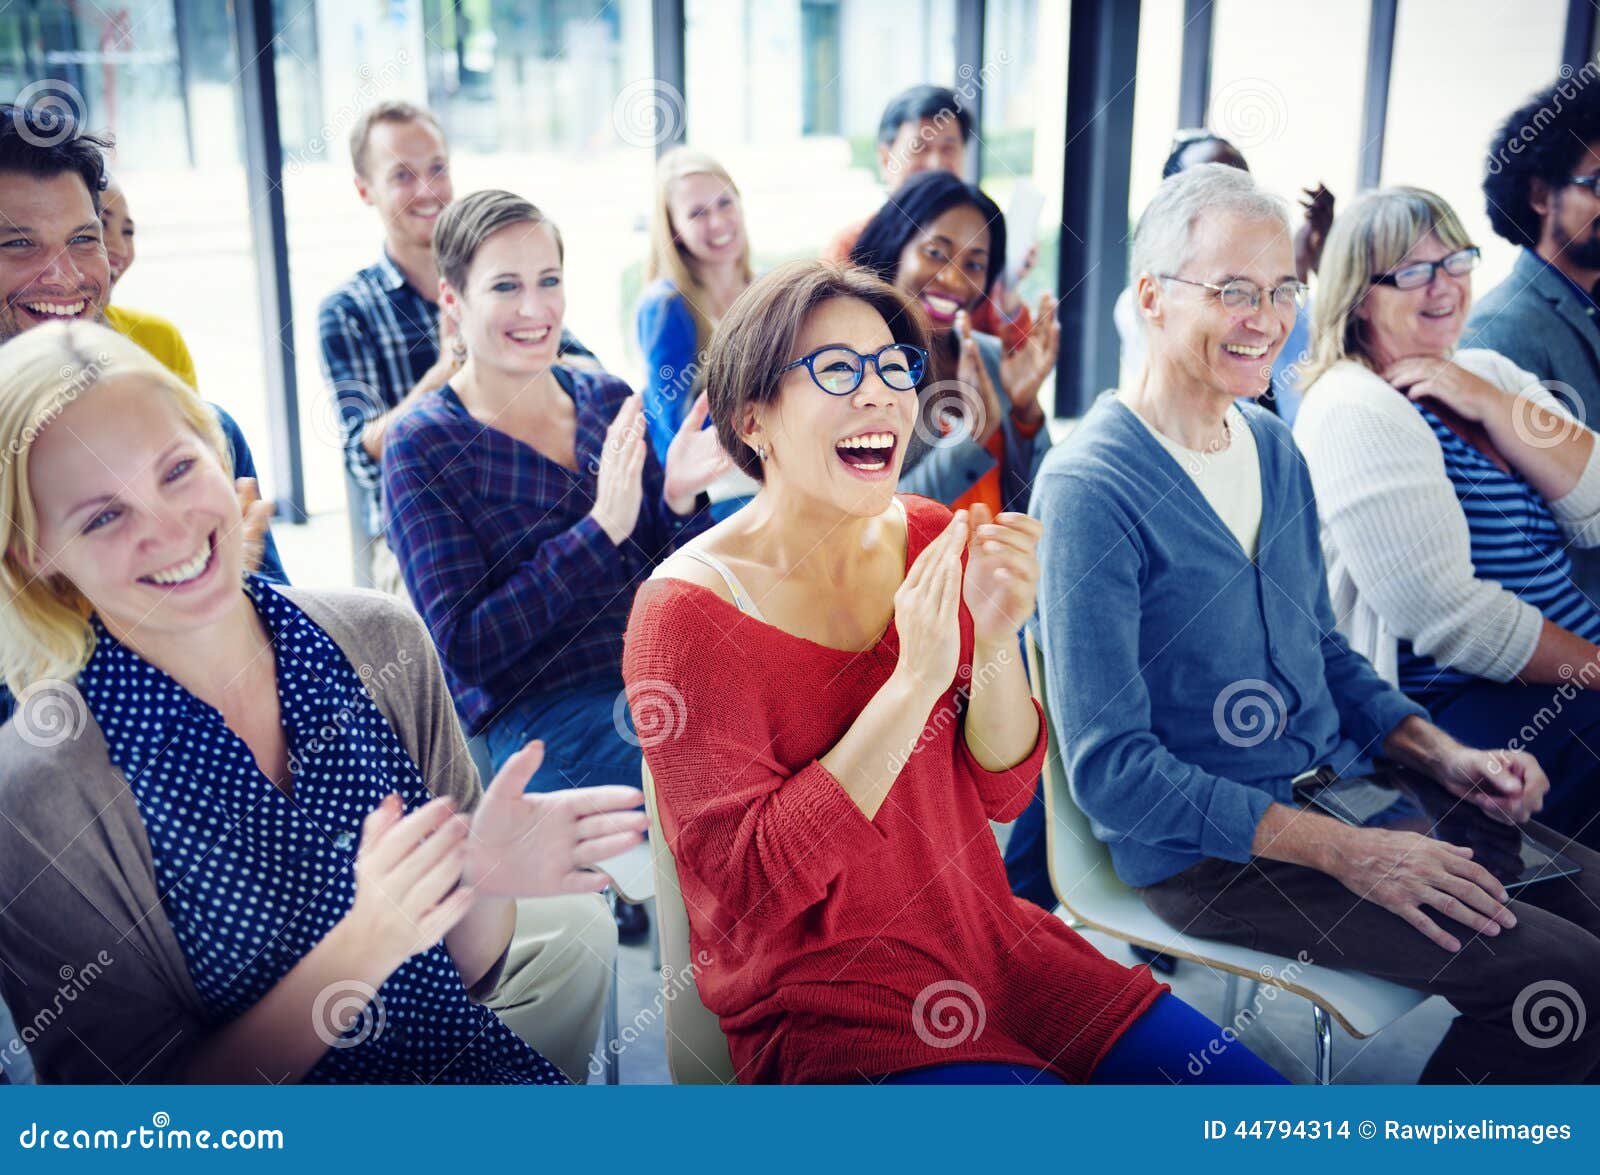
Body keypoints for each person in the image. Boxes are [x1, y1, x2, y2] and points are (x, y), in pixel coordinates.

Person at [625, 259, 1284, 1085]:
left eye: (894, 367)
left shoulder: (931, 530)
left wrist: (1001, 634)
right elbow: (753, 896)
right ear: (751, 419)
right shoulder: (683, 616)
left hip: (995, 943)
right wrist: (910, 686)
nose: (881, 395)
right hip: (833, 1008)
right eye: (836, 370)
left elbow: (1004, 791)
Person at [1035, 163, 1600, 1084]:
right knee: (1569, 980)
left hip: (1353, 792)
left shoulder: (1267, 440)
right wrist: (1348, 853)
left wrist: (1439, 753)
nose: (1266, 317)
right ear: (1152, 297)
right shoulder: (1091, 485)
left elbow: (1325, 651)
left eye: (1282, 289)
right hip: (1216, 857)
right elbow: (1114, 775)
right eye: (1233, 291)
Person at [0, 321, 648, 1084]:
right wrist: (366, 941)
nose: (169, 526)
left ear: (220, 456)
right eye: (104, 515)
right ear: (31, 552)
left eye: (178, 469)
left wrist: (478, 875)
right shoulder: (34, 796)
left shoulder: (380, 639)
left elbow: (470, 977)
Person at [383, 191, 728, 942]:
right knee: (730, 784)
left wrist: (676, 497)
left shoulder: (605, 397)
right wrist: (599, 528)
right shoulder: (423, 446)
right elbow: (467, 645)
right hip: (543, 718)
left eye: (548, 280)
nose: (533, 306)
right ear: (453, 300)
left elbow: (660, 582)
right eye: (504, 285)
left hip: (652, 679)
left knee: (778, 733)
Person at [1296, 186, 1600, 848]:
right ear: (1358, 295)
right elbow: (1449, 618)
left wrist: (1490, 402)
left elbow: (1596, 506)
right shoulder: (1352, 403)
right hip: (1444, 714)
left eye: (1456, 260)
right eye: (1412, 270)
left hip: (1562, 682)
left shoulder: (1484, 368)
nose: (1444, 285)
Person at [0, 101, 281, 727]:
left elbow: (288, 655)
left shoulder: (210, 438)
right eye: (18, 243)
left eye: (83, 240)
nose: (64, 276)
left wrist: (230, 588)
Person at [318, 101, 598, 598]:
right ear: (364, 189)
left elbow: (588, 374)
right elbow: (366, 455)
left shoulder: (499, 277)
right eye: (402, 175)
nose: (427, 190)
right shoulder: (348, 310)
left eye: (437, 169)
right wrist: (452, 366)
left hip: (532, 499)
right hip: (423, 532)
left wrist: (506, 345)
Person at [849, 170, 1058, 514]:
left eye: (974, 264)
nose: (953, 279)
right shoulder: (860, 370)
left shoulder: (991, 359)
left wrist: (1025, 413)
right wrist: (973, 438)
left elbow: (1038, 507)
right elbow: (871, 512)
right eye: (935, 252)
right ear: (895, 248)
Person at [1467, 76, 1600, 602]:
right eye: (1598, 182)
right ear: (1543, 195)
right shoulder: (1498, 333)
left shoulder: (1587, 306)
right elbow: (1514, 539)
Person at [1113, 128, 1331, 422]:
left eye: (1240, 184)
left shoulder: (1270, 443)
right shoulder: (1149, 303)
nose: (1232, 197)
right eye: (1233, 291)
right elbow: (1199, 378)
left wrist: (1309, 265)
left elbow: (1324, 343)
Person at [823, 84, 1035, 353]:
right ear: (886, 159)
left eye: (948, 149)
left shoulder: (978, 245)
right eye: (919, 147)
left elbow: (1010, 365)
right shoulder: (849, 246)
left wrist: (1008, 288)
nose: (935, 163)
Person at [634, 147, 759, 518]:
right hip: (722, 492)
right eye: (697, 214)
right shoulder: (666, 306)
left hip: (786, 473)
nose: (718, 222)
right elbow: (671, 433)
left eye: (725, 203)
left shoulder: (768, 288)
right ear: (673, 227)